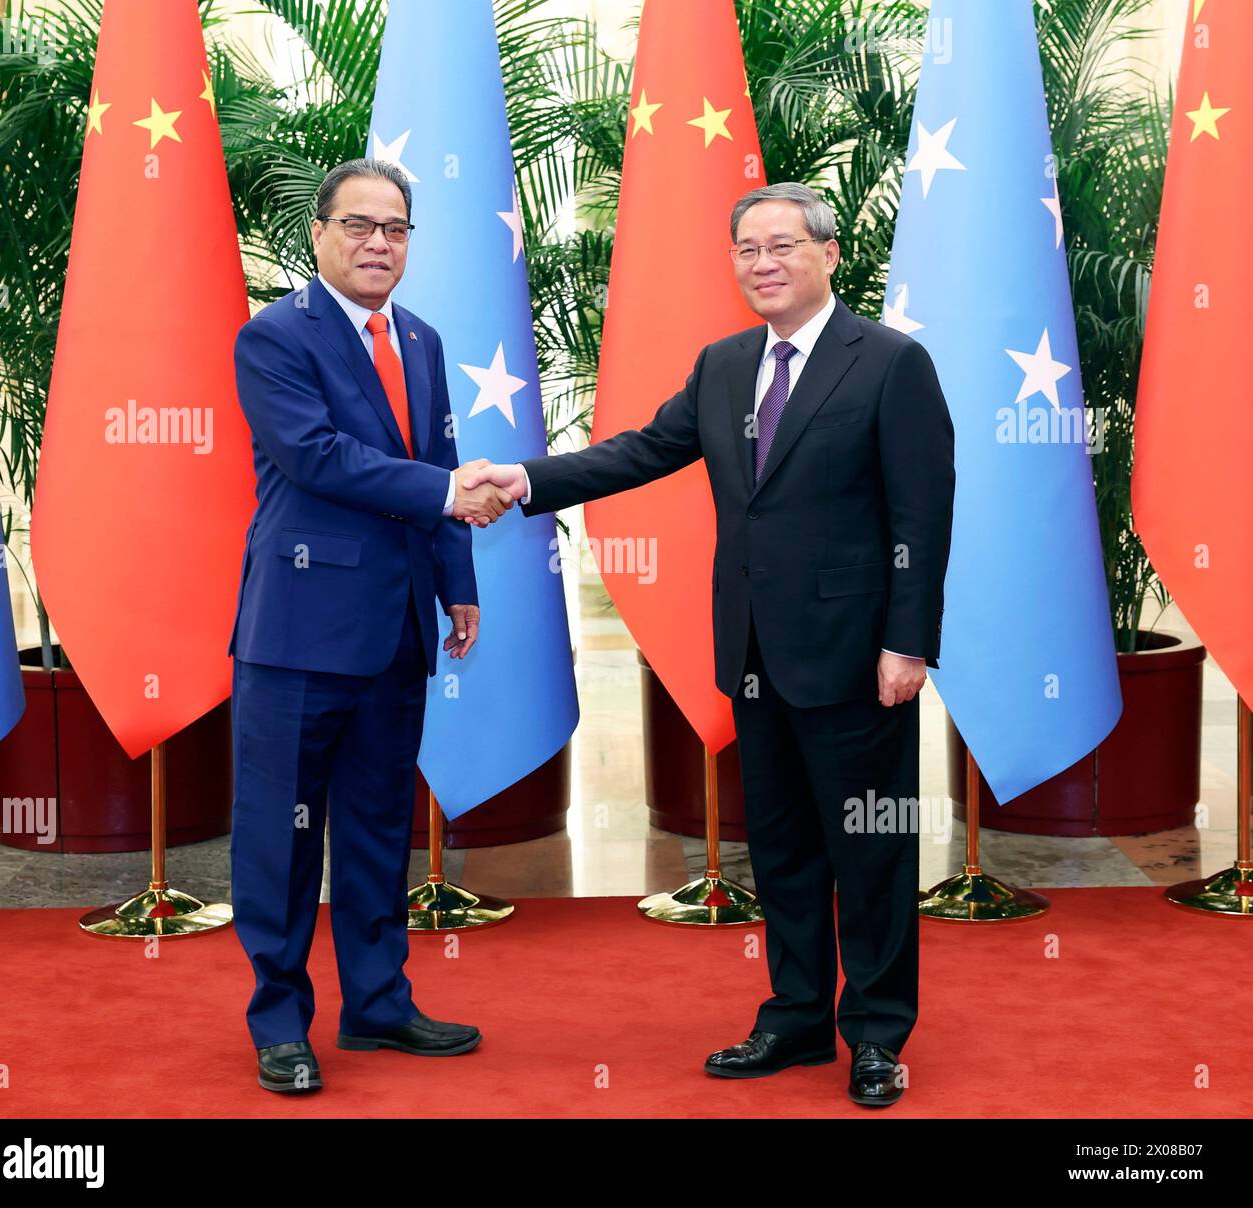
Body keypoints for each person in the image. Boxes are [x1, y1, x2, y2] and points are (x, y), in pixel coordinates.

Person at [464, 182, 954, 1107]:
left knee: (872, 849)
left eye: (782, 247)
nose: (763, 265)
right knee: (782, 849)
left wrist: (908, 643)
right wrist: (523, 477)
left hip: (857, 657)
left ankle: (878, 1034)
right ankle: (797, 1017)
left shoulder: (891, 364)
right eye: (747, 251)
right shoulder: (726, 365)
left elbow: (922, 519)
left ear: (828, 253)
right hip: (758, 657)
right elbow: (642, 451)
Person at [228, 158, 514, 1094]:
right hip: (300, 632)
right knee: (281, 832)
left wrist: (456, 580)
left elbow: (438, 456)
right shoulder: (275, 336)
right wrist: (446, 494)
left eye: (394, 228)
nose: (378, 243)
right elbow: (316, 457)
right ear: (318, 235)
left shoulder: (422, 339)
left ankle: (379, 1003)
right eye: (358, 225)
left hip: (395, 628)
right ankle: (279, 1021)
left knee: (378, 824)